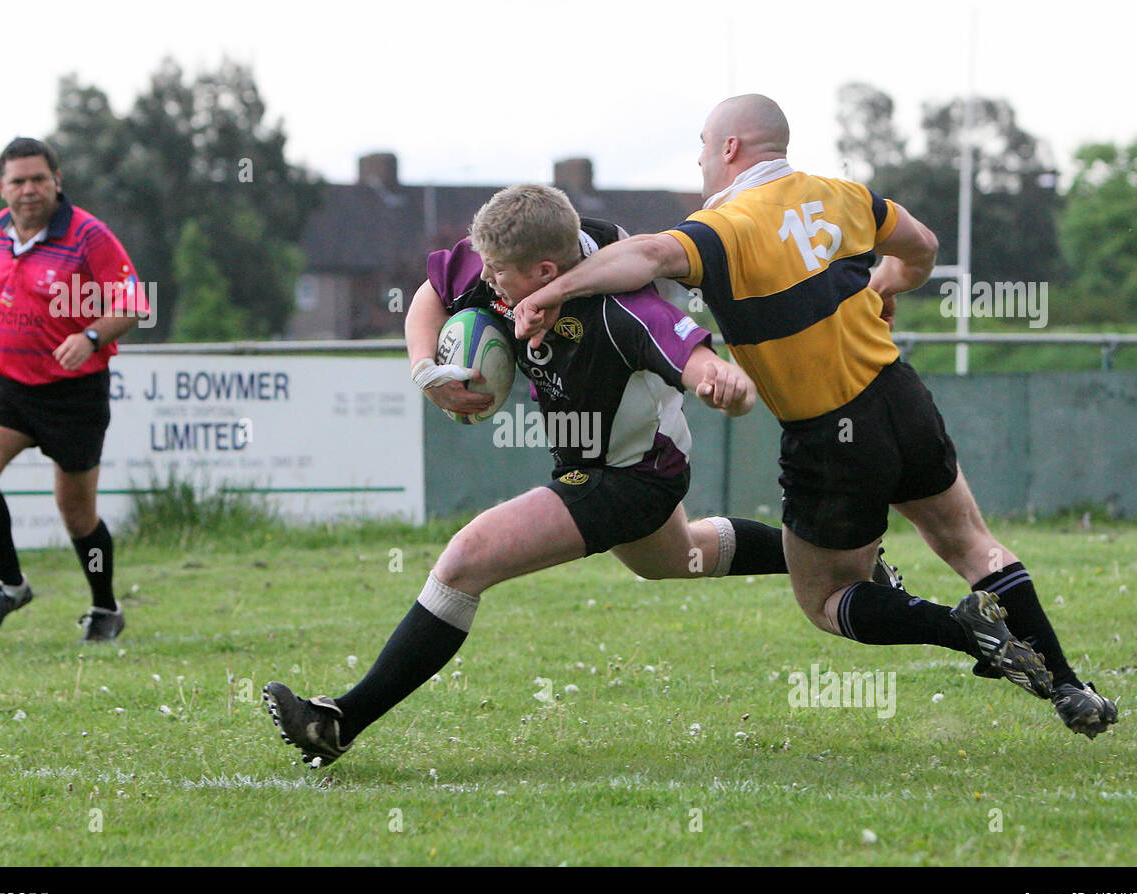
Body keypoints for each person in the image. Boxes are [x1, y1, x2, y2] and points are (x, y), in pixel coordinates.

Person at [514, 96, 1117, 739]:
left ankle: (963, 630)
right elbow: (923, 246)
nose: (696, 157)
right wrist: (885, 285)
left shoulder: (723, 227)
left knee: (827, 598)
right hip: (900, 396)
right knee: (972, 543)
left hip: (830, 436)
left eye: (701, 144)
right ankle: (1070, 687)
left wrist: (550, 291)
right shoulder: (844, 196)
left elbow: (648, 256)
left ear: (730, 150)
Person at [263, 184, 899, 767]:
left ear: (546, 272)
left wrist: (721, 380)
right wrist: (425, 369)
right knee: (680, 556)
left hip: (634, 476)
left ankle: (340, 720)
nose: (483, 280)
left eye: (495, 272)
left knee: (467, 557)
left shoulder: (622, 296)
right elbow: (434, 293)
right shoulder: (514, 254)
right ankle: (850, 564)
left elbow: (687, 351)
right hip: (590, 461)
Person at [0, 137, 150, 642]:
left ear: (58, 180)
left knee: (76, 514)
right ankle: (10, 585)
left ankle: (105, 608)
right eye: (18, 180)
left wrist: (91, 335)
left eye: (39, 178)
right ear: (2, 186)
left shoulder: (90, 236)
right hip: (8, 386)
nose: (29, 189)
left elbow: (133, 303)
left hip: (74, 394)